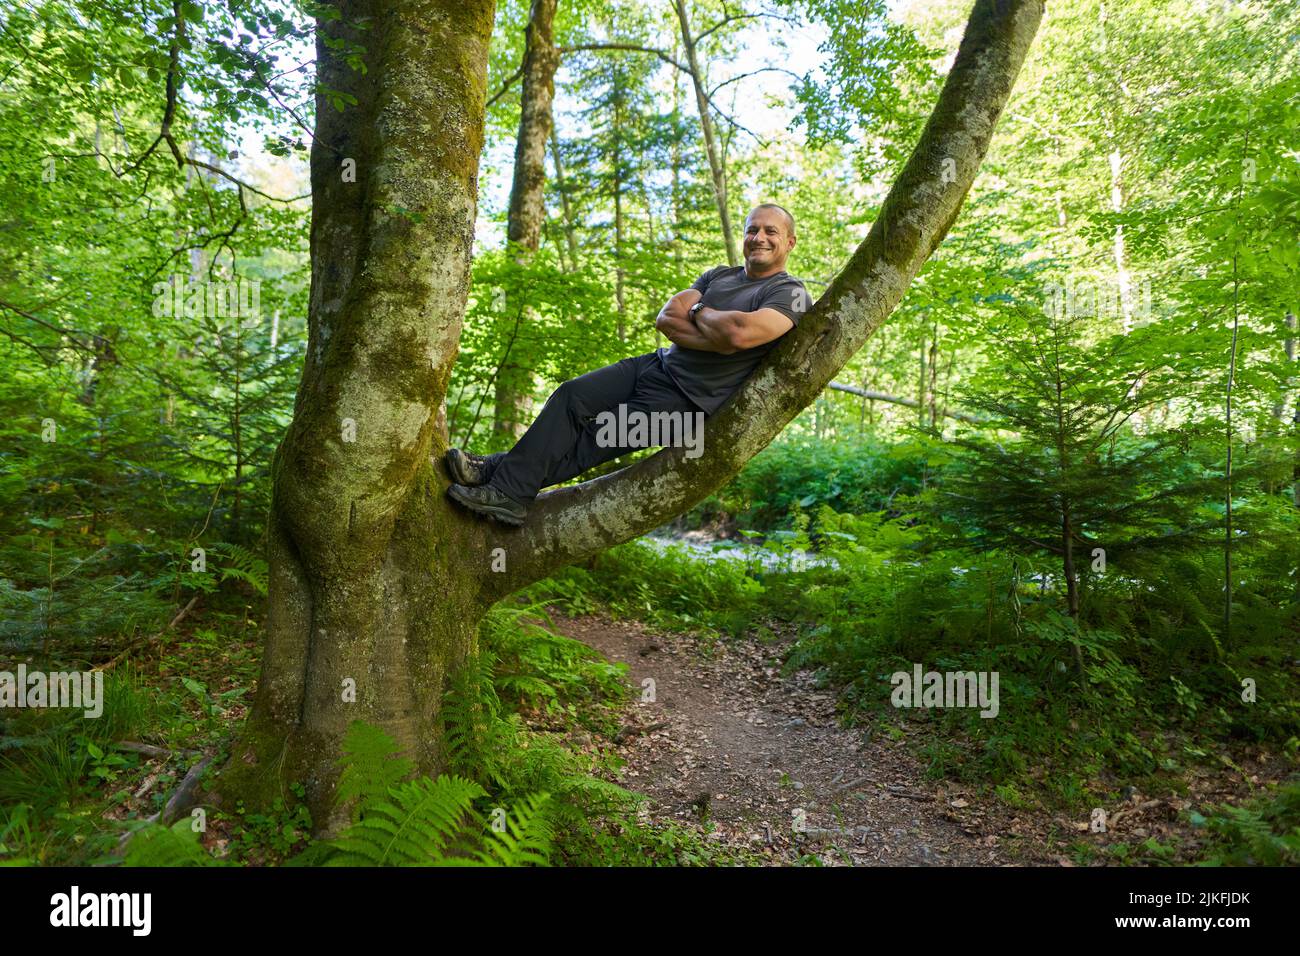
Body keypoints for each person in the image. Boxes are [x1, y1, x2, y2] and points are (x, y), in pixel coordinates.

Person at [446, 202, 809, 526]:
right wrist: (710, 326)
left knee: (592, 439)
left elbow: (740, 335)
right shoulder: (719, 275)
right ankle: (495, 474)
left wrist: (705, 321)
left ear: (789, 242)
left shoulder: (789, 293)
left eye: (770, 231)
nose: (758, 237)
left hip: (686, 403)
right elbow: (668, 318)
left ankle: (505, 492)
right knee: (572, 396)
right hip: (654, 365)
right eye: (752, 229)